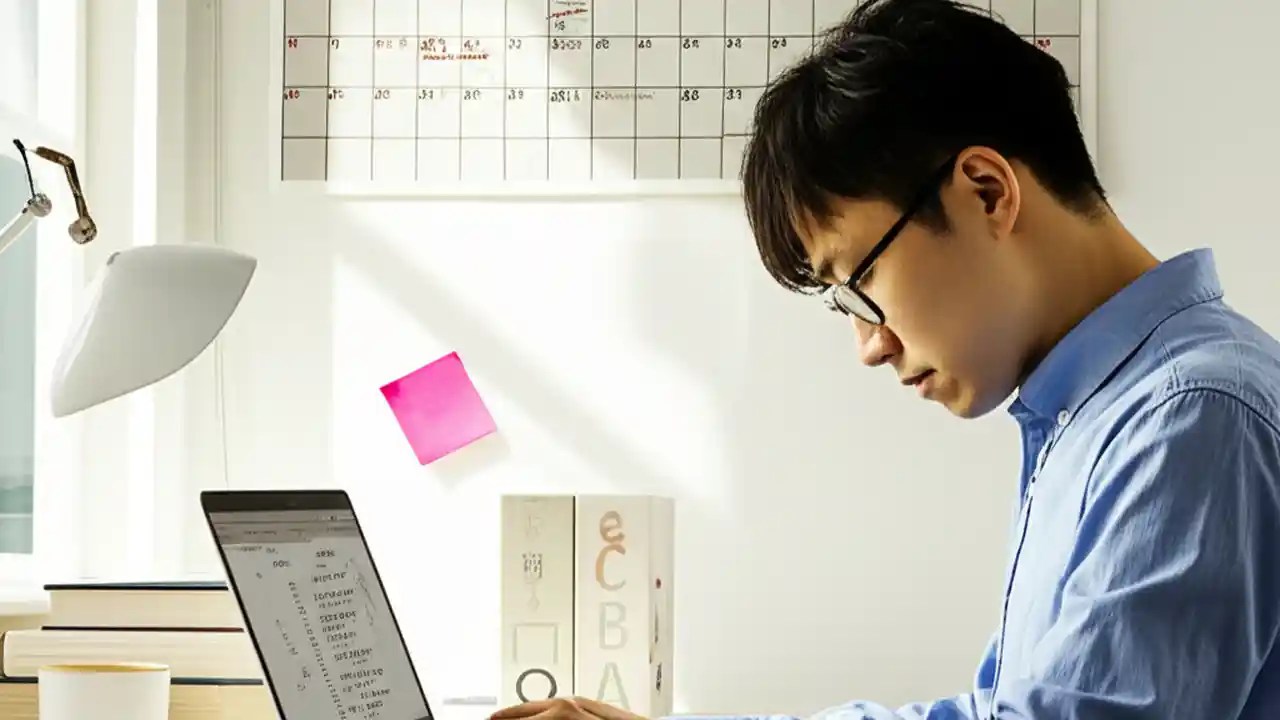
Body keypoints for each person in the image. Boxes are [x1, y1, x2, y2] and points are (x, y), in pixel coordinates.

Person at [491, 0, 1280, 717]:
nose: (870, 344)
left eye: (860, 281)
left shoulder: (1191, 418)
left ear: (983, 191)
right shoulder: (1100, 415)